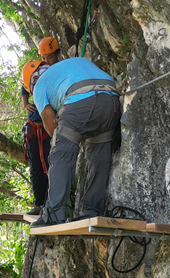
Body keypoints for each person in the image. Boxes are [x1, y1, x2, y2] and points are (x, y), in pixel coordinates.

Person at [22, 57, 120, 228]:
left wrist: (67, 140)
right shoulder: (66, 66)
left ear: (33, 80)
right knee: (99, 157)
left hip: (82, 101)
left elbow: (50, 122)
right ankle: (92, 210)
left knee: (60, 153)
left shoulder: (39, 86)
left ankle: (53, 214)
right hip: (111, 101)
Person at [21, 37, 61, 216]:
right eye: (43, 57)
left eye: (50, 57)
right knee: (36, 166)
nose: (46, 61)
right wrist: (25, 104)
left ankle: (53, 204)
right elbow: (24, 86)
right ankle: (39, 204)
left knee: (52, 164)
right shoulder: (36, 70)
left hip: (49, 127)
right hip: (34, 126)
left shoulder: (59, 72)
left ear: (58, 55)